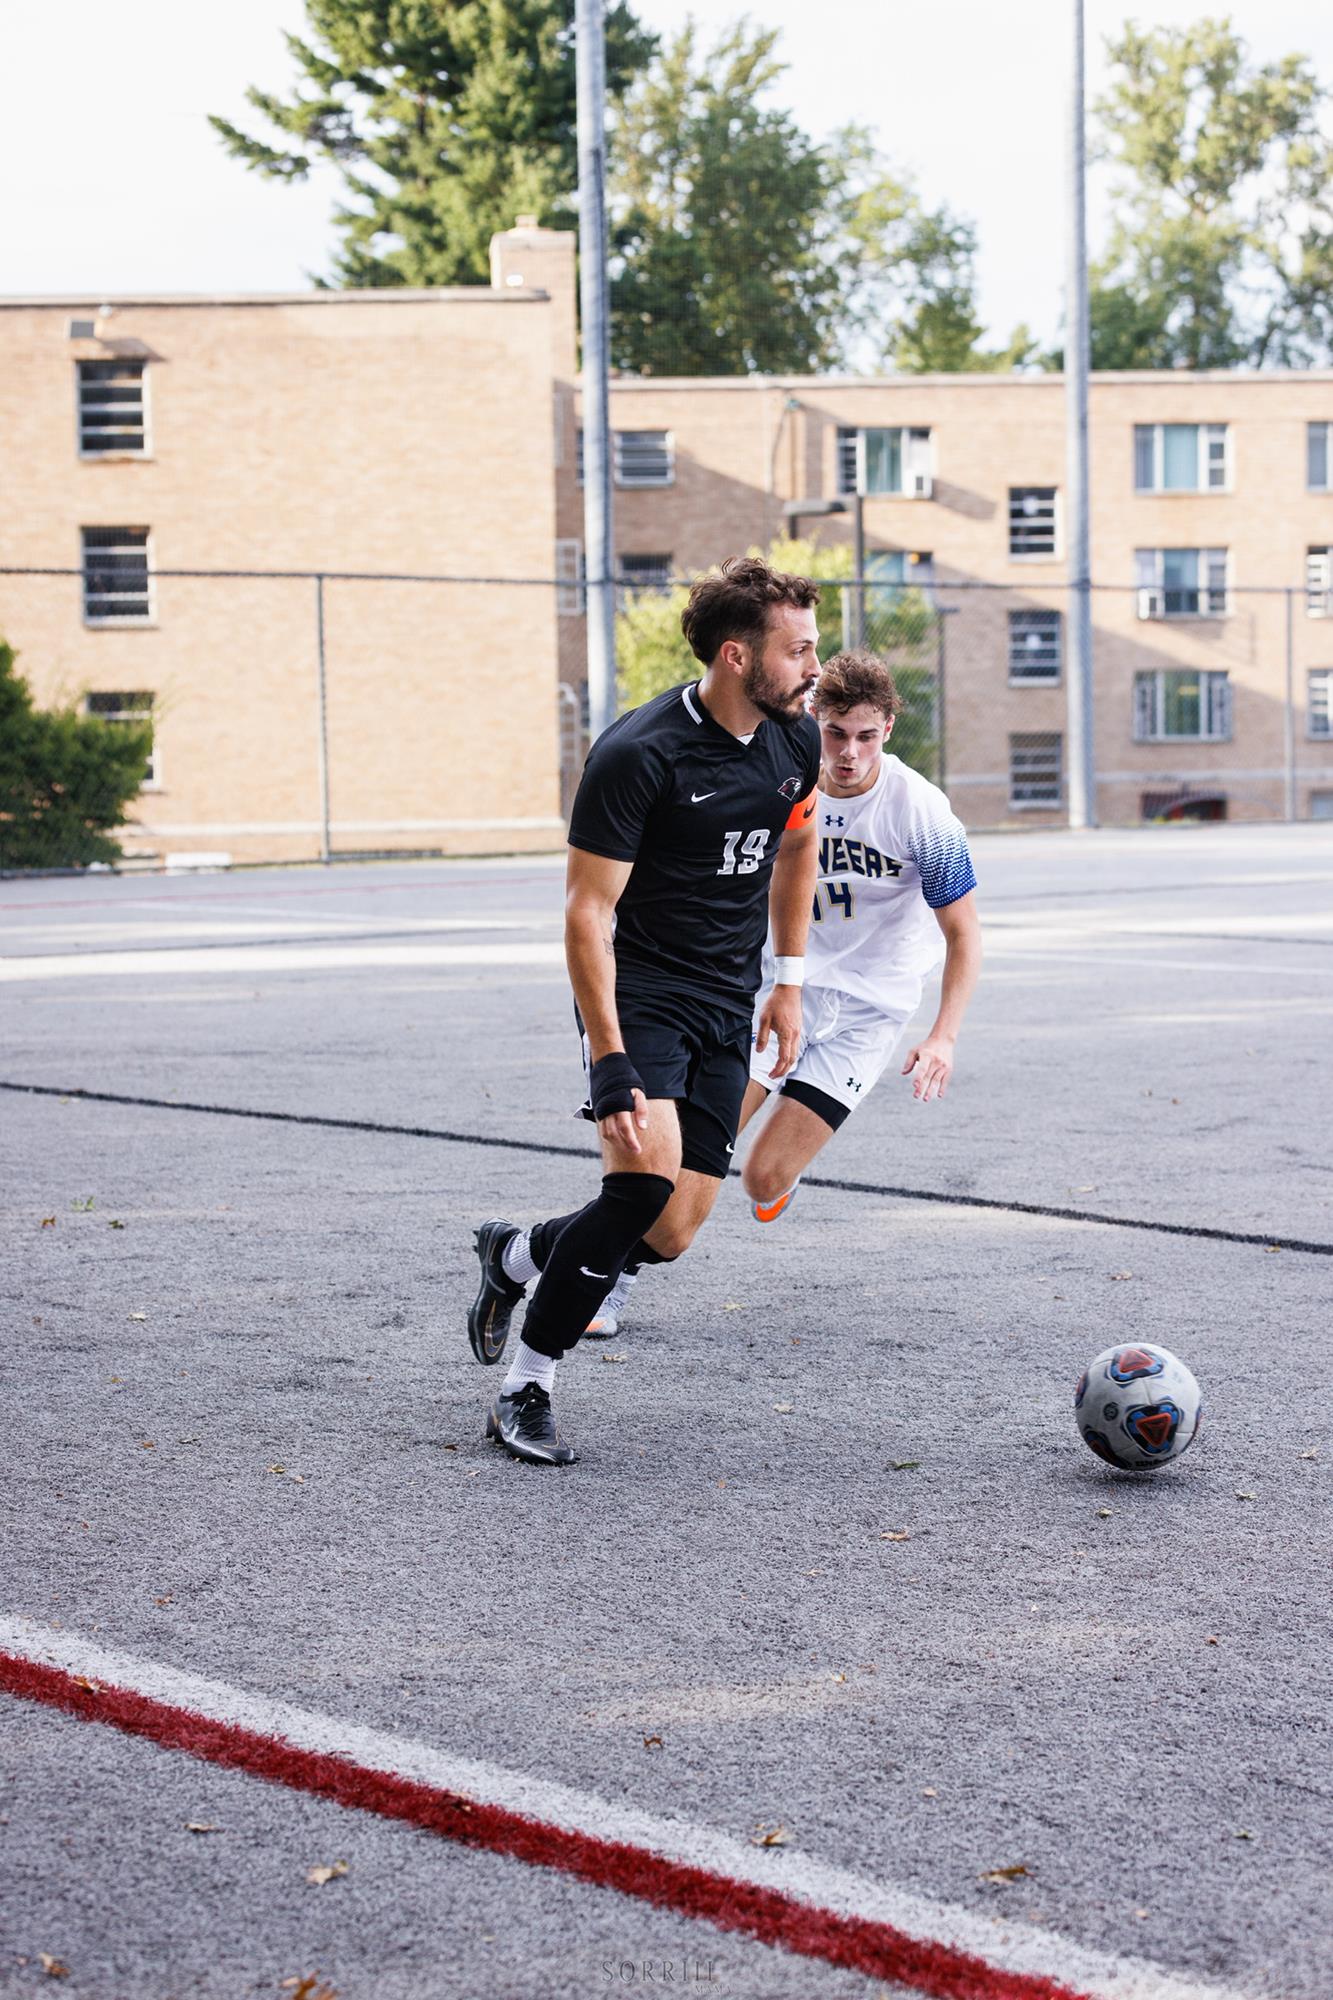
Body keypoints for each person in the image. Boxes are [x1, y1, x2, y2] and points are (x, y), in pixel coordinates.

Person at [465, 555, 823, 1464]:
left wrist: (786, 978)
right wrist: (609, 1057)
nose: (814, 667)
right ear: (737, 656)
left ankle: (516, 1256)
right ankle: (526, 1388)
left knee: (668, 1233)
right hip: (640, 993)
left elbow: (797, 843)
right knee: (638, 1189)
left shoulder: (795, 740)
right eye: (797, 650)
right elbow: (586, 913)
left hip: (727, 1000)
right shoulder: (638, 754)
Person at [739, 647, 981, 1224]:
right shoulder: (781, 783)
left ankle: (780, 1172)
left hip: (869, 1011)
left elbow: (964, 934)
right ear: (813, 719)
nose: (850, 752)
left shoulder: (920, 809)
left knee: (761, 1178)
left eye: (867, 737)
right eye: (836, 733)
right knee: (697, 1144)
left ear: (888, 729)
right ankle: (612, 1267)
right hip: (785, 992)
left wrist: (943, 1037)